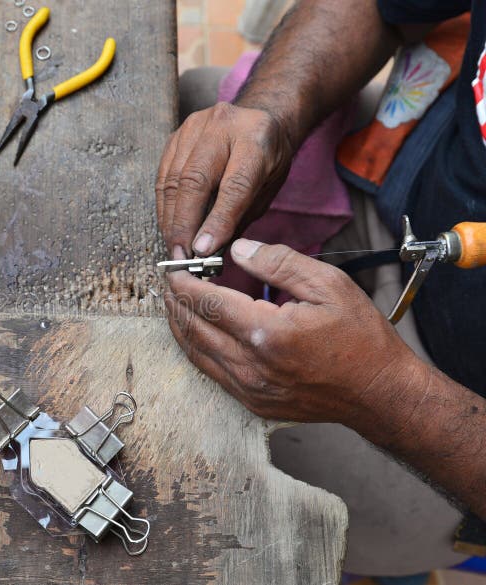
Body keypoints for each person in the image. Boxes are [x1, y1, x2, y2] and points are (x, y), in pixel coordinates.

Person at [157, 0, 486, 579]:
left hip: (450, 407)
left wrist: (383, 392)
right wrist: (270, 117)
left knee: (212, 498)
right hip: (406, 173)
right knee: (187, 110)